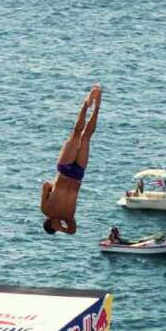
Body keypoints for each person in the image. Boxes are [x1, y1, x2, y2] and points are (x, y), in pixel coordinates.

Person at [41, 84, 102, 235]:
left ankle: (86, 104)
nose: (58, 225)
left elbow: (45, 186)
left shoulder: (46, 209)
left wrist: (54, 187)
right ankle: (97, 106)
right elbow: (73, 231)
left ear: (49, 223)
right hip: (77, 174)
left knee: (76, 134)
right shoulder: (68, 218)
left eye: (55, 227)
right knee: (86, 138)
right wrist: (62, 228)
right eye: (57, 228)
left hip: (65, 169)